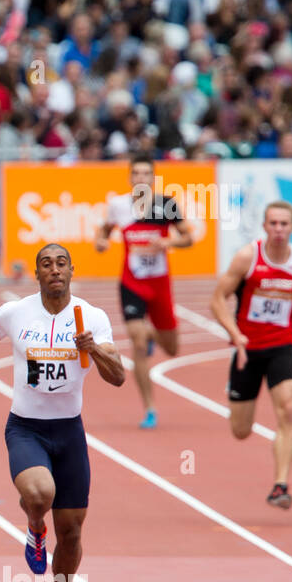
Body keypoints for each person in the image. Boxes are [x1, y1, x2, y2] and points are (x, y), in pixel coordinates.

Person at [0, 244, 125, 582]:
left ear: (70, 270)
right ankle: (34, 527)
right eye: (46, 264)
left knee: (72, 534)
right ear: (37, 274)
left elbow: (117, 376)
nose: (54, 270)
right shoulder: (16, 313)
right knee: (39, 494)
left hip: (69, 433)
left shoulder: (91, 318)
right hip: (26, 429)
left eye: (61, 263)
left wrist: (94, 349)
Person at [210, 201, 292, 509]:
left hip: (282, 348)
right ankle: (235, 394)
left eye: (284, 224)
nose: (278, 229)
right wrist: (235, 335)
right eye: (273, 223)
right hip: (247, 350)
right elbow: (217, 300)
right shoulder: (248, 257)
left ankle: (280, 486)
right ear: (264, 226)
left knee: (288, 408)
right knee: (241, 431)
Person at [95, 155, 194, 429]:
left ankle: (153, 334)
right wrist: (101, 242)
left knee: (172, 349)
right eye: (135, 173)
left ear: (153, 178)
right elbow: (102, 233)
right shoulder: (119, 206)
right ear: (130, 177)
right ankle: (150, 408)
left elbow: (188, 238)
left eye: (145, 173)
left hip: (160, 285)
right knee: (137, 342)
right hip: (132, 283)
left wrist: (168, 242)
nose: (140, 178)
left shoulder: (166, 205)